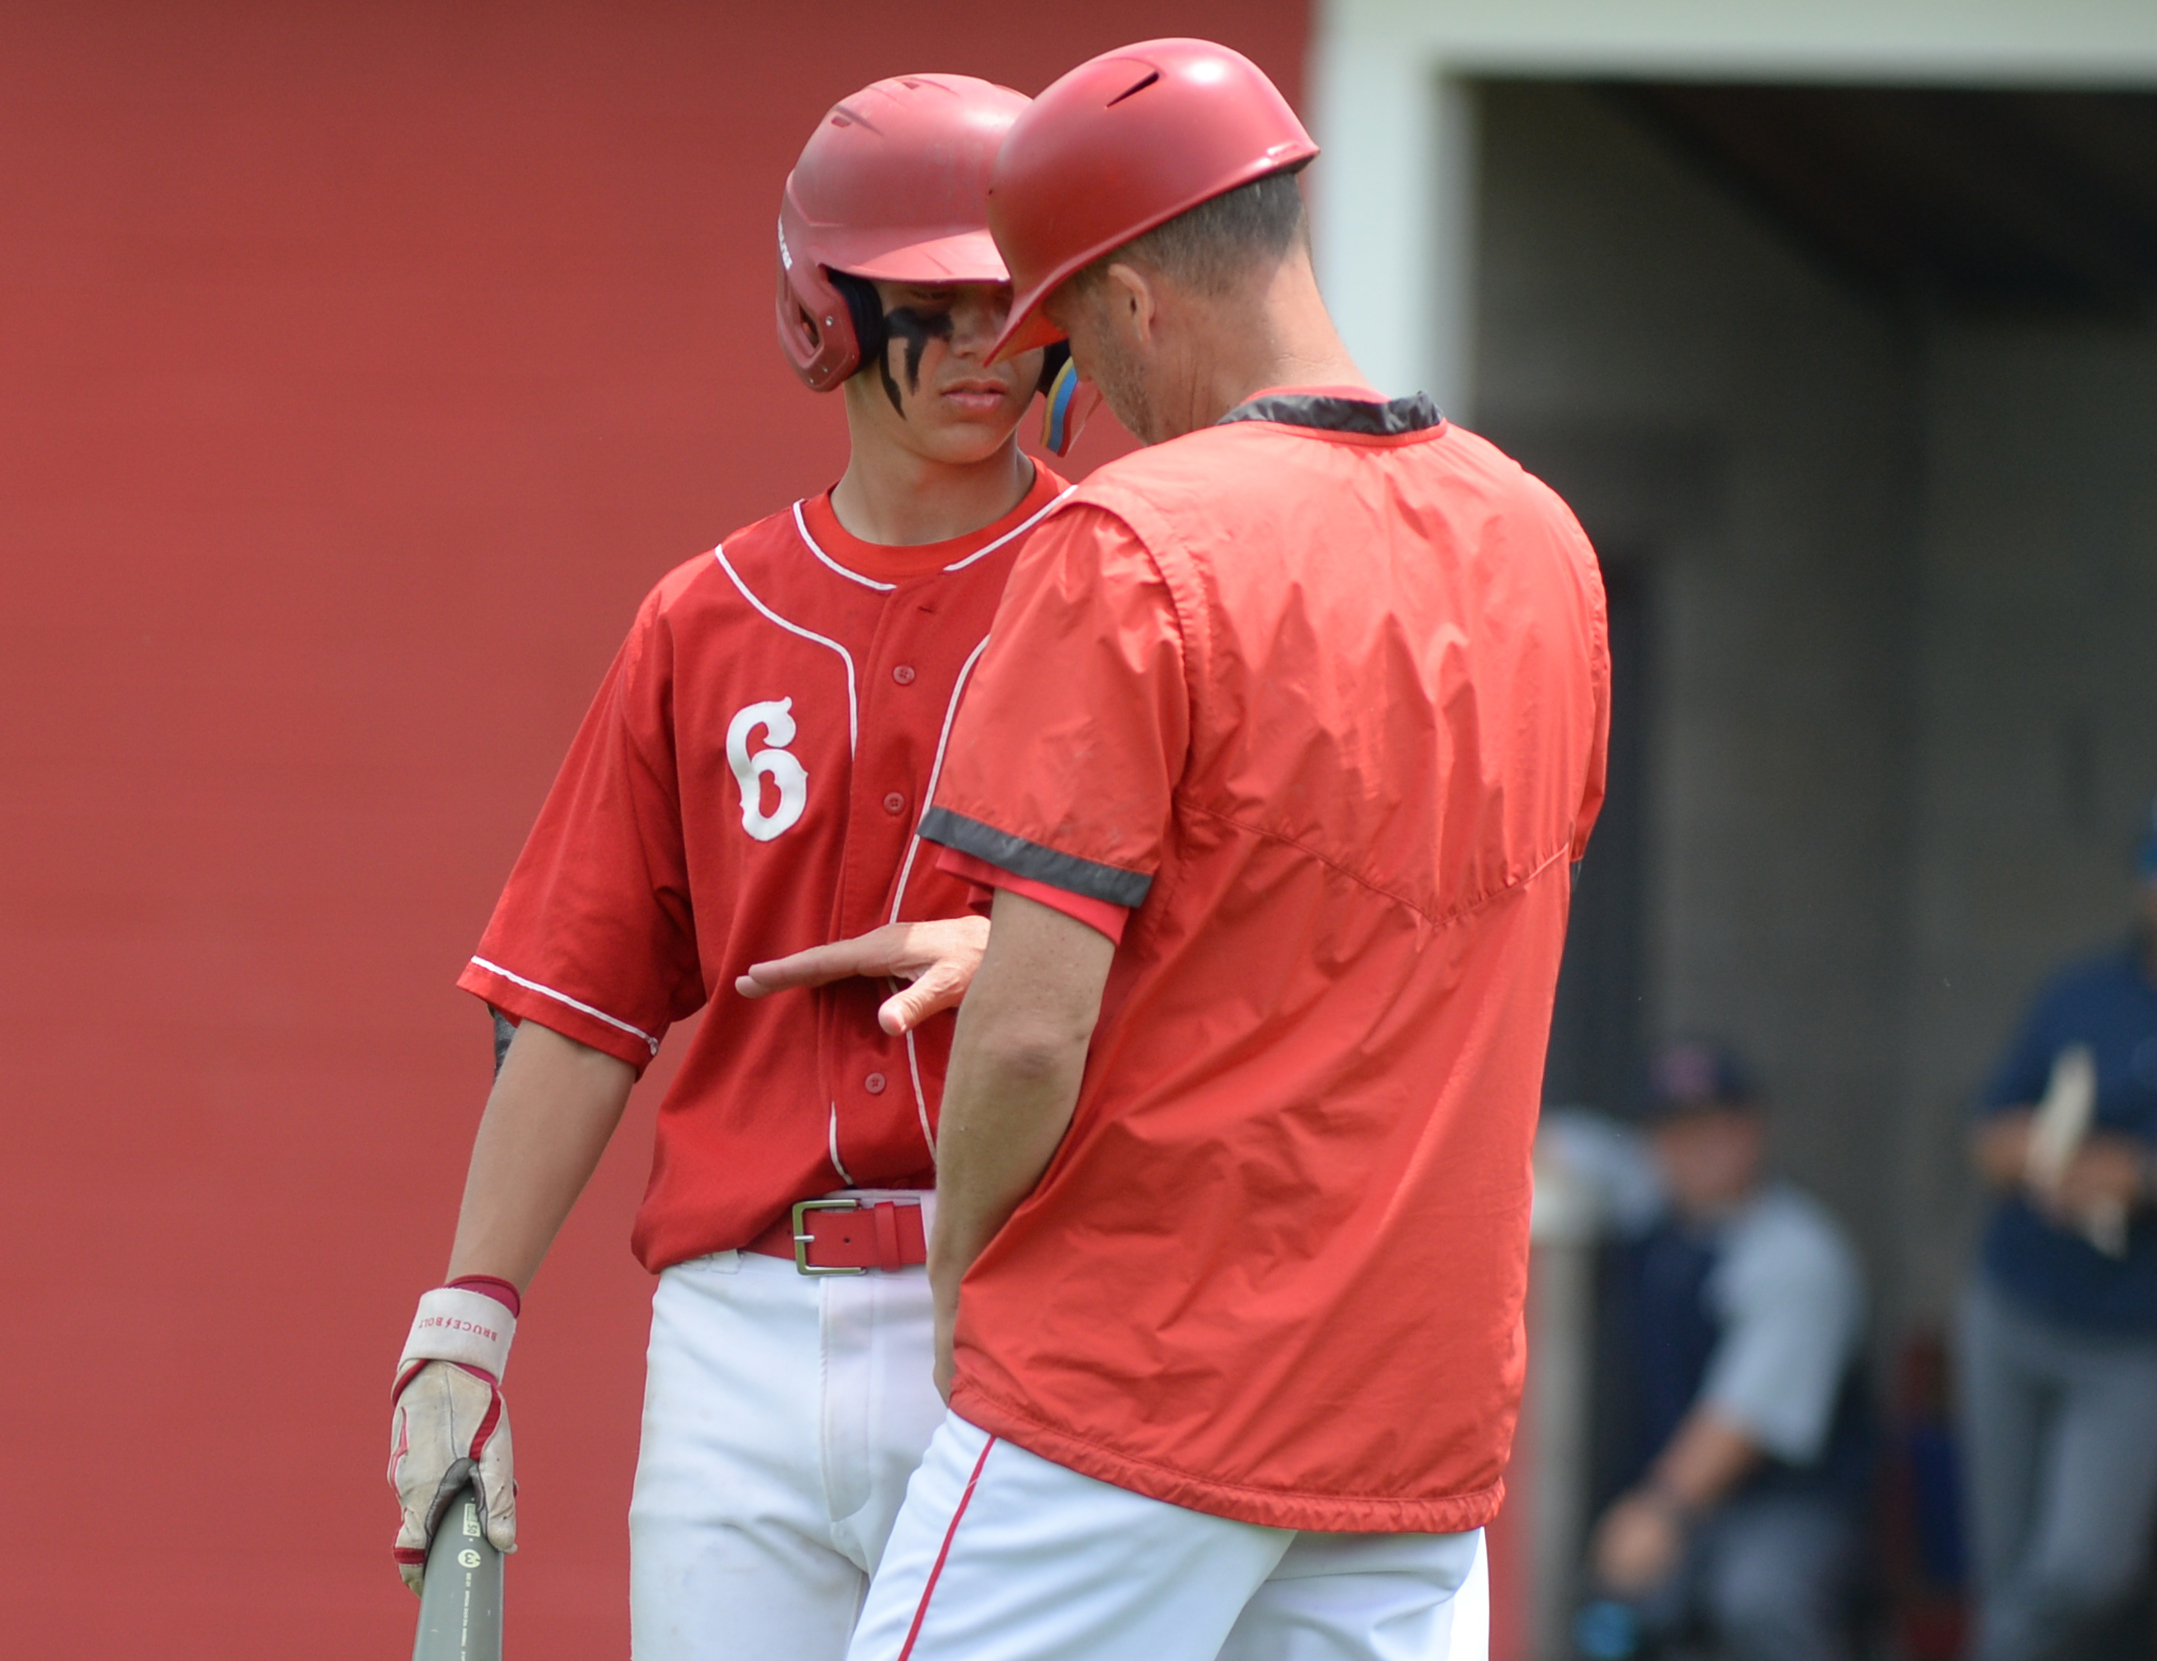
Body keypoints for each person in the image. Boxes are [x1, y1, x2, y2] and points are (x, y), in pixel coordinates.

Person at [810, 38, 1609, 1661]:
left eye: (1071, 338)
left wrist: (962, 1270)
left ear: (1135, 297)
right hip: (1415, 1431)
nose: (1080, 394)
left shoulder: (1131, 544)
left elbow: (1032, 1026)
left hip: (1132, 1393)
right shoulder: (1544, 543)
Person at [384, 73, 1080, 1661]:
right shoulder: (703, 620)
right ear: (825, 311)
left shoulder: (1129, 591)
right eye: (933, 300)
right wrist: (465, 1317)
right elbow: (578, 1004)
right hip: (741, 1322)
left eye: (1013, 298)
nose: (986, 343)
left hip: (1031, 1294)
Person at [1575, 1041, 1870, 1661]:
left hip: (1786, 1503)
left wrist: (1659, 1512)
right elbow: (1548, 1146)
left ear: (1752, 1131)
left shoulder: (1797, 1253)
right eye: (1677, 1130)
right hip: (1676, 1494)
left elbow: (1743, 1421)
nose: (1698, 1148)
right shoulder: (1647, 1202)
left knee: (1756, 1598)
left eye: (1716, 1127)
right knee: (1612, 1614)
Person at [1960, 799, 2157, 1661]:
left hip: (2132, 1334)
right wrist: (2039, 1156)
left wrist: (2139, 1172)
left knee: (2082, 1567)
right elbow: (1990, 1130)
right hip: (2017, 1297)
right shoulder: (2083, 991)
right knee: (2004, 1566)